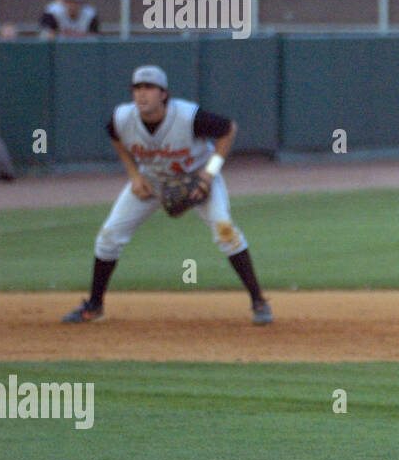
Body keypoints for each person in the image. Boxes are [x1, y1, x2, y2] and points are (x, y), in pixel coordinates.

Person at [62, 65, 273, 325]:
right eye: (137, 88)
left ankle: (258, 301)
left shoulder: (187, 116)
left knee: (225, 230)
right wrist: (134, 175)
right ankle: (94, 306)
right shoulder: (122, 118)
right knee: (109, 236)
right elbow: (115, 136)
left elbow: (228, 129)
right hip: (152, 180)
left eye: (149, 88)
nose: (142, 94)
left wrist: (208, 175)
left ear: (164, 94)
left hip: (197, 178)